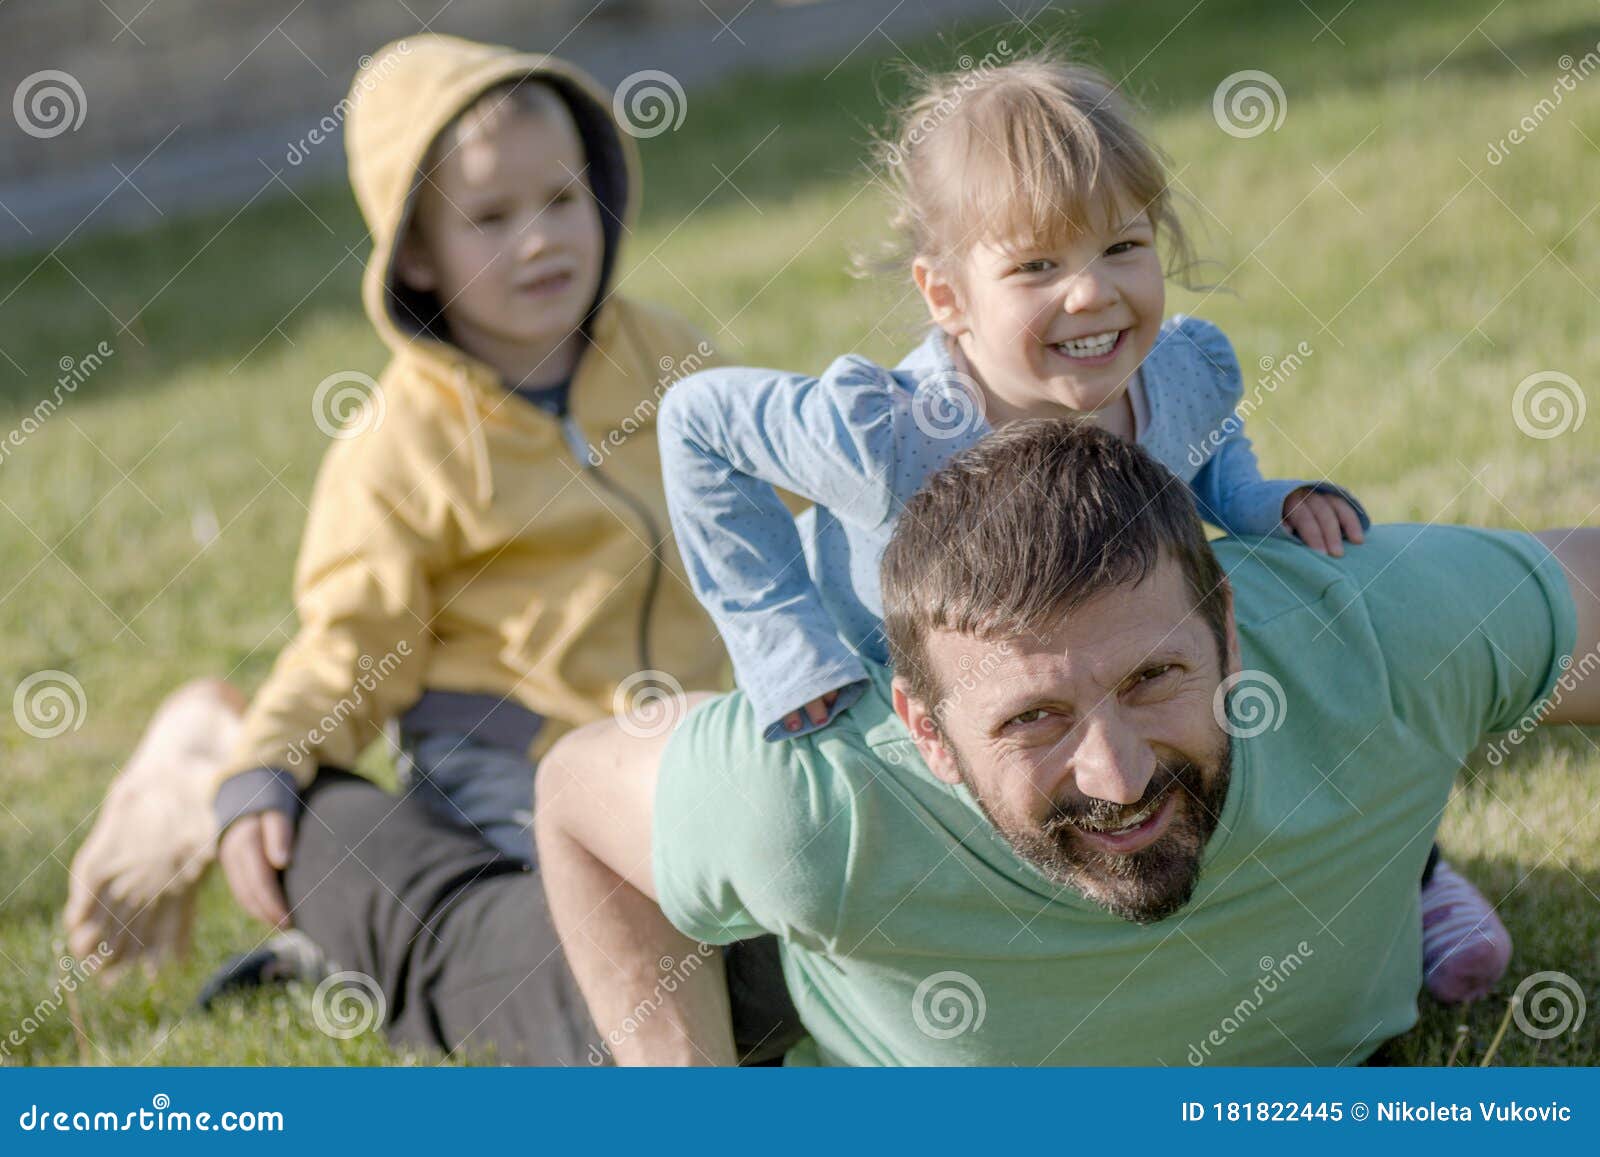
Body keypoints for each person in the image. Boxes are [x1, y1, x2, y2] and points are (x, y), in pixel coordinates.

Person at [586, 51, 1500, 1006]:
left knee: (1257, 661)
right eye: (1036, 266)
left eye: (1122, 247)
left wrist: (1256, 500)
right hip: (901, 693)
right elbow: (696, 422)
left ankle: (1417, 873)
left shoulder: (1173, 376)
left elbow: (1202, 445)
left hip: (1093, 673)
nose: (1092, 293)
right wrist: (781, 643)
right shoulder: (883, 432)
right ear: (945, 296)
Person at [62, 34, 799, 1059]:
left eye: (560, 199)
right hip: (504, 773)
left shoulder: (658, 352)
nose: (540, 239)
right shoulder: (401, 442)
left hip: (670, 739)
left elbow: (782, 482)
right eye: (490, 218)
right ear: (415, 250)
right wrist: (275, 759)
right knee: (594, 959)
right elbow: (350, 641)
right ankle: (227, 775)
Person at [536, 418, 1598, 1065]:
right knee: (471, 938)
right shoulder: (817, 799)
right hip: (767, 964)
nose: (1119, 775)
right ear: (926, 728)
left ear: (1227, 628)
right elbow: (574, 793)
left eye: (1154, 679)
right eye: (1033, 717)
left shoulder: (1372, 638)